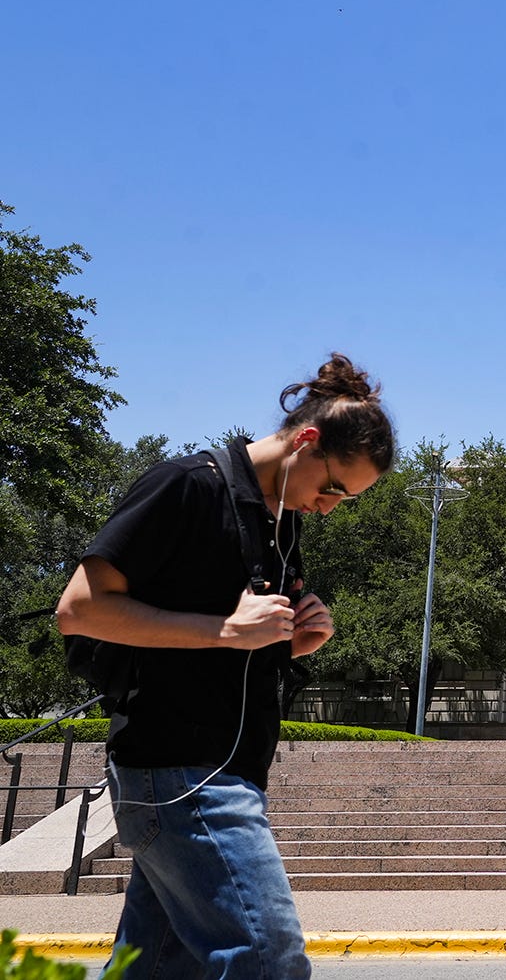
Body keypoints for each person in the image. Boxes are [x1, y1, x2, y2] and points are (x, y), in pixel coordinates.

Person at [56, 354, 395, 979]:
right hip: (182, 772)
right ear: (307, 441)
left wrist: (289, 642)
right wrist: (228, 631)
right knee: (267, 960)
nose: (329, 506)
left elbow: (229, 654)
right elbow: (79, 610)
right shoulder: (187, 485)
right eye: (334, 488)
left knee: (154, 967)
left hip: (223, 768)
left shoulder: (279, 523)